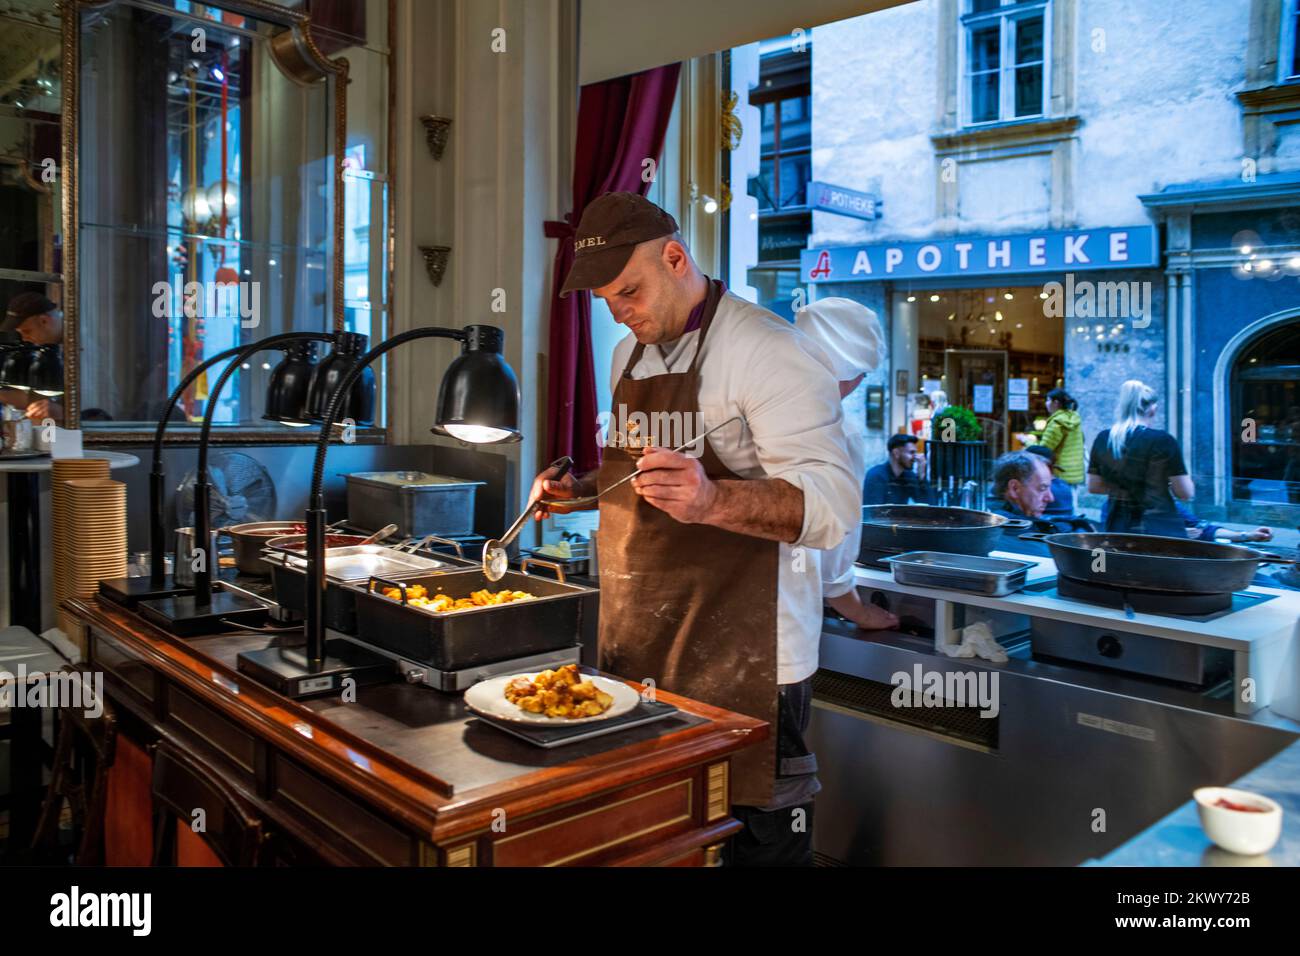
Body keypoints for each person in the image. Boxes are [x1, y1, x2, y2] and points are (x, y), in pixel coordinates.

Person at [533, 191, 859, 866]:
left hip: (750, 659)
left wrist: (711, 501)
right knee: (664, 841)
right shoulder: (629, 355)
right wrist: (581, 491)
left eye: (629, 292)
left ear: (676, 257)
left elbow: (834, 506)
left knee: (756, 847)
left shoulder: (772, 352)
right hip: (646, 645)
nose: (622, 313)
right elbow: (636, 472)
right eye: (607, 303)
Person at [794, 298, 899, 632]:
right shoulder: (839, 431)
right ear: (852, 372)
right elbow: (834, 544)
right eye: (862, 375)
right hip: (787, 617)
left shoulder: (747, 400)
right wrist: (858, 611)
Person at [1087, 380, 1192, 537]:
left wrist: (1123, 485)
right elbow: (1185, 493)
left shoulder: (1104, 439)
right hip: (1159, 529)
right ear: (1153, 409)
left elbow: (1094, 486)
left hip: (1118, 527)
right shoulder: (1163, 440)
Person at [989, 451, 1094, 556]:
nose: (1050, 498)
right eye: (1042, 488)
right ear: (1015, 488)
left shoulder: (1003, 518)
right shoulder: (1011, 531)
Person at [0, 292, 64, 422]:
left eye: (27, 331)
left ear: (44, 321)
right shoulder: (42, 349)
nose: (24, 339)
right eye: (21, 333)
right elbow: (27, 399)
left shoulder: (80, 350)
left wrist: (61, 411)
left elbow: (100, 409)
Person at [1036, 387, 1084, 513]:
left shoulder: (1057, 422)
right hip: (1074, 469)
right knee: (1072, 502)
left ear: (1055, 403)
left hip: (1060, 470)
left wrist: (1029, 442)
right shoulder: (1073, 418)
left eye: (1048, 400)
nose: (1046, 404)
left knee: (1061, 506)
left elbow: (1044, 449)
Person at [863, 433, 933, 505]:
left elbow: (928, 504)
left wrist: (922, 477)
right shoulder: (876, 476)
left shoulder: (909, 476)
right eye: (911, 452)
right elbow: (871, 512)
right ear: (896, 453)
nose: (915, 457)